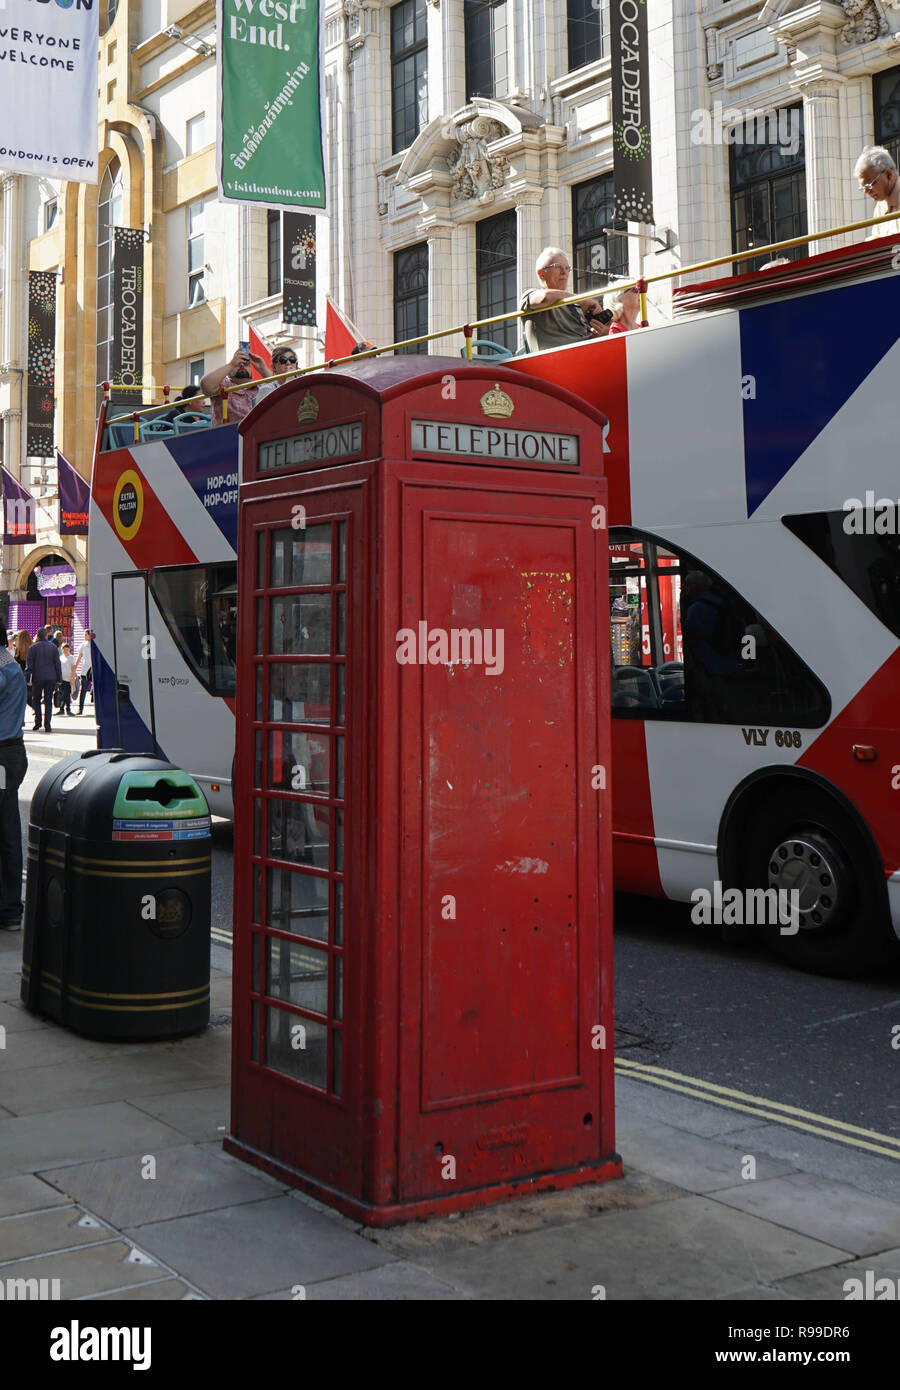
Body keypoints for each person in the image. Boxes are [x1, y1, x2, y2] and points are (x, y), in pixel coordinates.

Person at [519, 247, 610, 353]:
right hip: (554, 361)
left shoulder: (576, 306)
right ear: (541, 273)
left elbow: (583, 338)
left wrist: (601, 334)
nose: (564, 272)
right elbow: (544, 297)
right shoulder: (531, 295)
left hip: (583, 356)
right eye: (557, 267)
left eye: (567, 268)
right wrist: (581, 300)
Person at [0, 626, 28, 930]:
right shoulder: (9, 662)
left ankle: (8, 908)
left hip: (2, 757)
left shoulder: (1, 668)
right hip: (11, 755)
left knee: (6, 833)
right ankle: (9, 909)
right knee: (7, 830)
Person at [201, 346, 269, 425]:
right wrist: (232, 364)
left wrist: (263, 369)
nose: (242, 365)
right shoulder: (224, 385)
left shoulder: (261, 387)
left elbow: (278, 390)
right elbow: (206, 385)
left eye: (246, 363)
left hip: (258, 433)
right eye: (237, 364)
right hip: (231, 434)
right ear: (229, 372)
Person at [855, 146, 900, 239]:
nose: (866, 192)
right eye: (863, 188)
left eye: (869, 185)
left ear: (889, 174)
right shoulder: (880, 207)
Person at [25, 626, 62, 733]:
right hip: (51, 677)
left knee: (36, 699)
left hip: (38, 677)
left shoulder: (32, 648)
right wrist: (59, 678)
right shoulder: (53, 647)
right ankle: (47, 724)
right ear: (47, 635)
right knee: (48, 701)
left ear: (37, 635)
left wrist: (28, 679)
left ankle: (38, 721)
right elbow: (57, 664)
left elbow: (29, 666)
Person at [74, 628, 94, 713]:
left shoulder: (95, 645)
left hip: (94, 670)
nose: (84, 636)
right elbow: (79, 657)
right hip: (85, 671)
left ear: (90, 635)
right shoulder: (83, 645)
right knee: (83, 690)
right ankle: (80, 709)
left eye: (86, 634)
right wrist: (74, 668)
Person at [58, 642, 75, 716]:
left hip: (68, 679)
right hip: (61, 679)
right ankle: (61, 709)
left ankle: (68, 709)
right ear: (62, 650)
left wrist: (72, 678)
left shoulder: (71, 658)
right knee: (62, 695)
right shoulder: (60, 657)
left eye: (67, 649)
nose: (65, 651)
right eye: (64, 649)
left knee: (67, 695)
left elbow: (73, 669)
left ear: (69, 649)